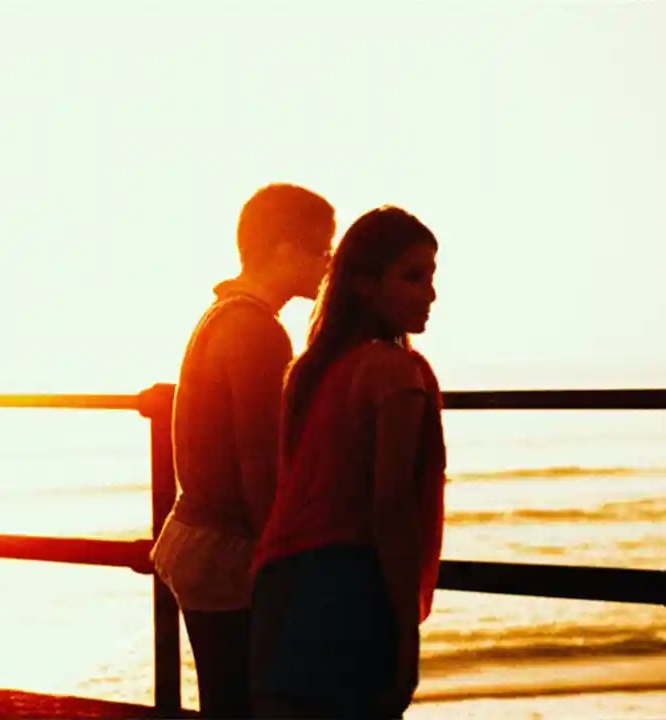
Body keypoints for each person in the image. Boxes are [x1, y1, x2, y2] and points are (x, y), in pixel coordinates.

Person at [249, 206, 446, 719]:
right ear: (364, 284)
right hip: (348, 592)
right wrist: (406, 631)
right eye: (412, 276)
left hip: (280, 587)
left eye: (430, 277)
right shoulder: (396, 373)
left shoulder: (312, 370)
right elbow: (391, 510)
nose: (429, 293)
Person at [149, 184, 335, 718]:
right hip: (228, 552)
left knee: (227, 700)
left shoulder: (223, 312)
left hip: (201, 539)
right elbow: (260, 467)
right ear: (282, 249)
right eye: (320, 248)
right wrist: (285, 571)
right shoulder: (258, 331)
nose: (327, 265)